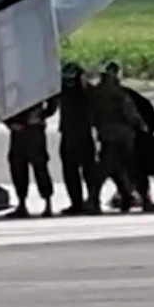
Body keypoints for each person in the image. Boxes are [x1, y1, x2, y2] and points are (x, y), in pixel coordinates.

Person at [87, 64, 154, 213]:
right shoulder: (119, 95)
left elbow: (92, 118)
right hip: (124, 137)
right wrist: (142, 127)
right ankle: (145, 199)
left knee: (106, 169)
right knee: (133, 167)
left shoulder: (96, 95)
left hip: (106, 136)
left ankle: (95, 199)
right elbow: (130, 115)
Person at [4, 97, 59, 218]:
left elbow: (52, 97)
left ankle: (47, 202)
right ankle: (22, 203)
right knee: (18, 167)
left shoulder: (35, 80)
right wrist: (9, 122)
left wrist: (42, 115)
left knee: (40, 166)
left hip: (35, 129)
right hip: (17, 128)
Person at [56, 62, 100, 214]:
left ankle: (86, 201)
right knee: (79, 170)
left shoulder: (78, 92)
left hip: (75, 134)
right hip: (76, 134)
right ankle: (85, 201)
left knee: (81, 170)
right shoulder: (85, 92)